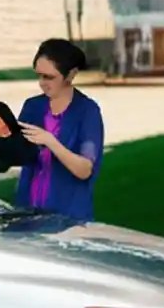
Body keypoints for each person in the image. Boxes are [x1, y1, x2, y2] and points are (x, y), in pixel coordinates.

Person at [13, 39, 104, 221]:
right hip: (26, 215)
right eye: (39, 76)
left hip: (69, 219)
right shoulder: (33, 107)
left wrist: (51, 142)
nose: (42, 83)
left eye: (49, 77)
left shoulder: (87, 112)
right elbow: (16, 156)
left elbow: (85, 169)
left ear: (71, 75)